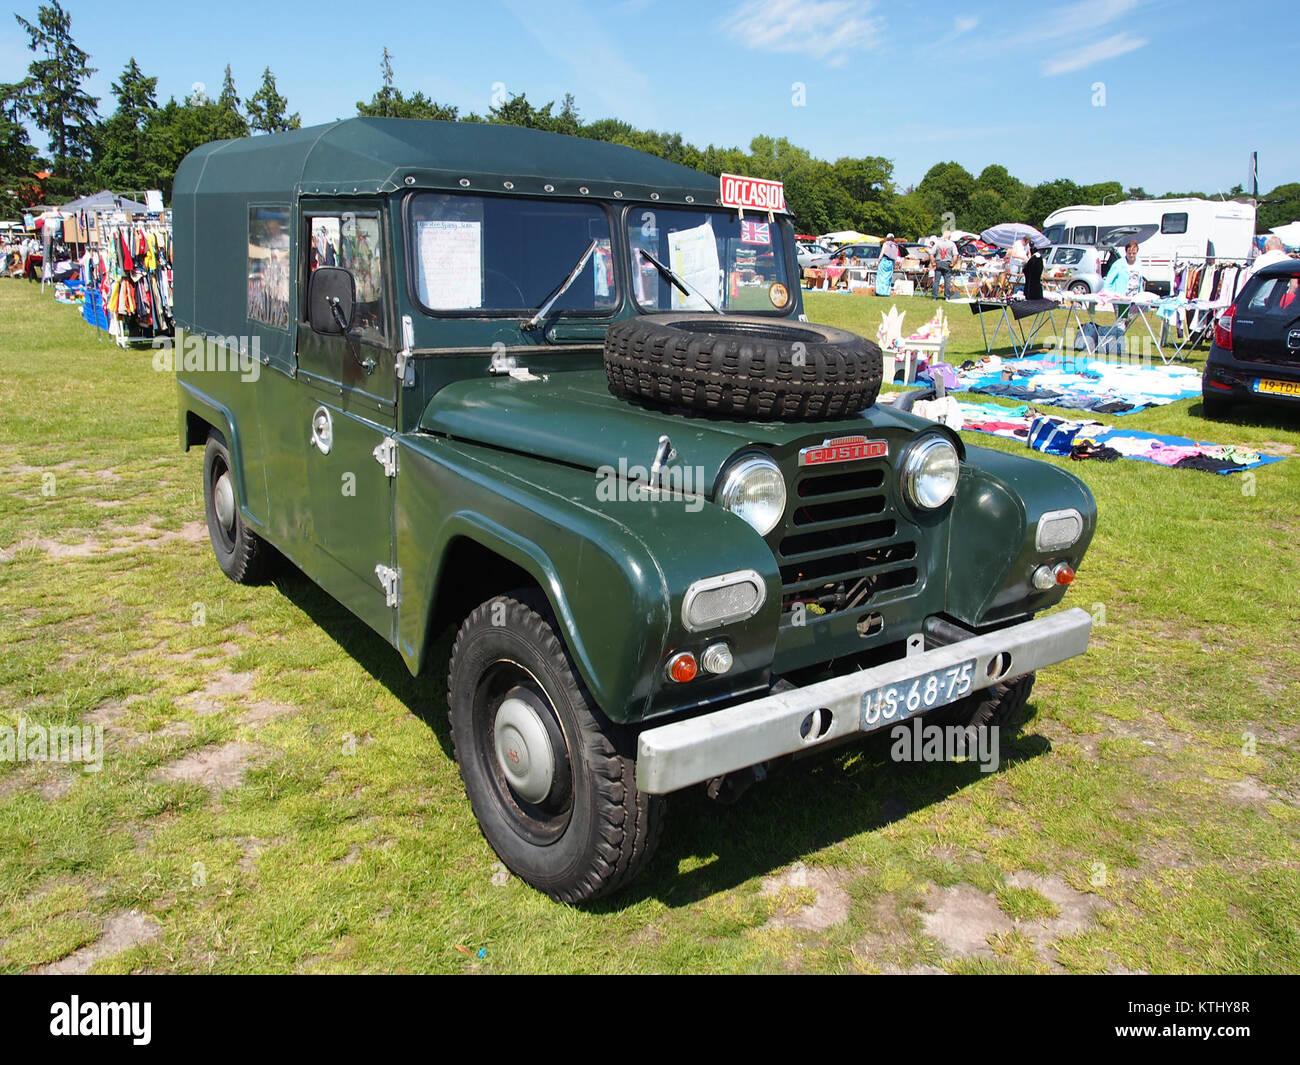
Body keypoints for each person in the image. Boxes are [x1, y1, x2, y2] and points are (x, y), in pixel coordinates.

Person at [932, 231, 958, 299]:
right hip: (947, 263)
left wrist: (933, 263)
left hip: (938, 262)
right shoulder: (952, 244)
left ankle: (934, 297)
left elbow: (931, 254)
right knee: (947, 281)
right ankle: (947, 296)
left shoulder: (937, 243)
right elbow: (955, 255)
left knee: (936, 281)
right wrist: (953, 263)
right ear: (949, 236)